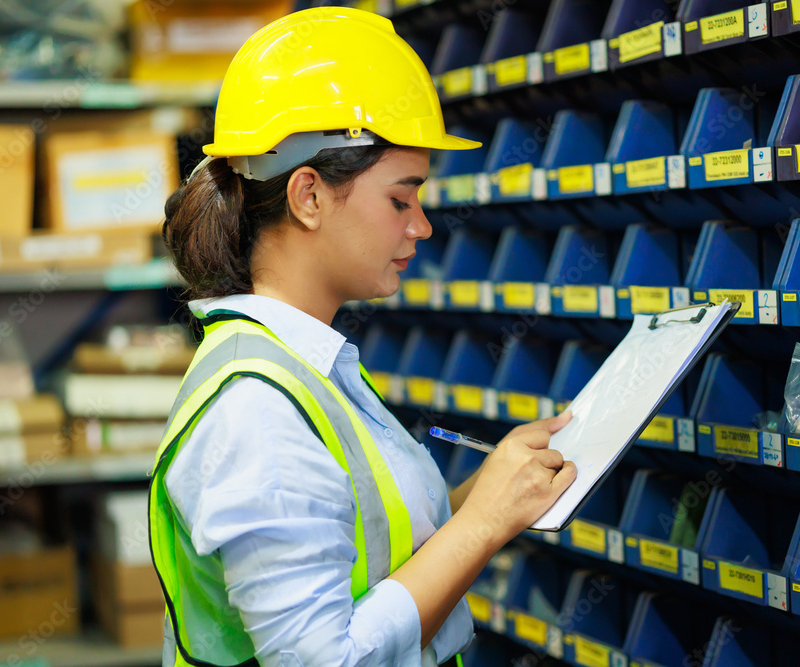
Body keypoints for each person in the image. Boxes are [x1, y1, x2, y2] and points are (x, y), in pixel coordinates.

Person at [148, 7, 577, 666]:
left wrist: (495, 492)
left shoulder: (305, 365)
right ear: (309, 196)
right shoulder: (256, 409)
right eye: (401, 199)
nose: (422, 227)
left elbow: (366, 547)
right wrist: (485, 522)